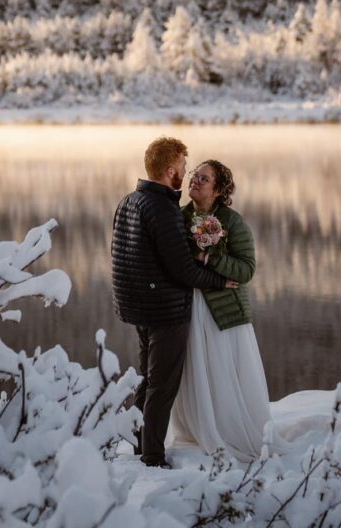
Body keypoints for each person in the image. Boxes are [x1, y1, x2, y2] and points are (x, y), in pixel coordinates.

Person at [111, 136, 237, 468]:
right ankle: (152, 456)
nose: (186, 171)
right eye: (183, 165)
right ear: (170, 171)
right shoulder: (162, 209)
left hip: (139, 307)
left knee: (147, 379)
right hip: (165, 310)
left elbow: (122, 258)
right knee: (162, 387)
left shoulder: (129, 200)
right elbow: (182, 269)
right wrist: (220, 280)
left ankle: (139, 445)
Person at [168, 159, 276, 462]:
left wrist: (211, 258)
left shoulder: (232, 221)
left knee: (222, 373)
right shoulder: (178, 217)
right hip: (188, 308)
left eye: (204, 178)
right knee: (196, 371)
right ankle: (197, 430)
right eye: (194, 176)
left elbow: (246, 269)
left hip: (225, 313)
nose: (195, 182)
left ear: (218, 189)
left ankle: (230, 432)